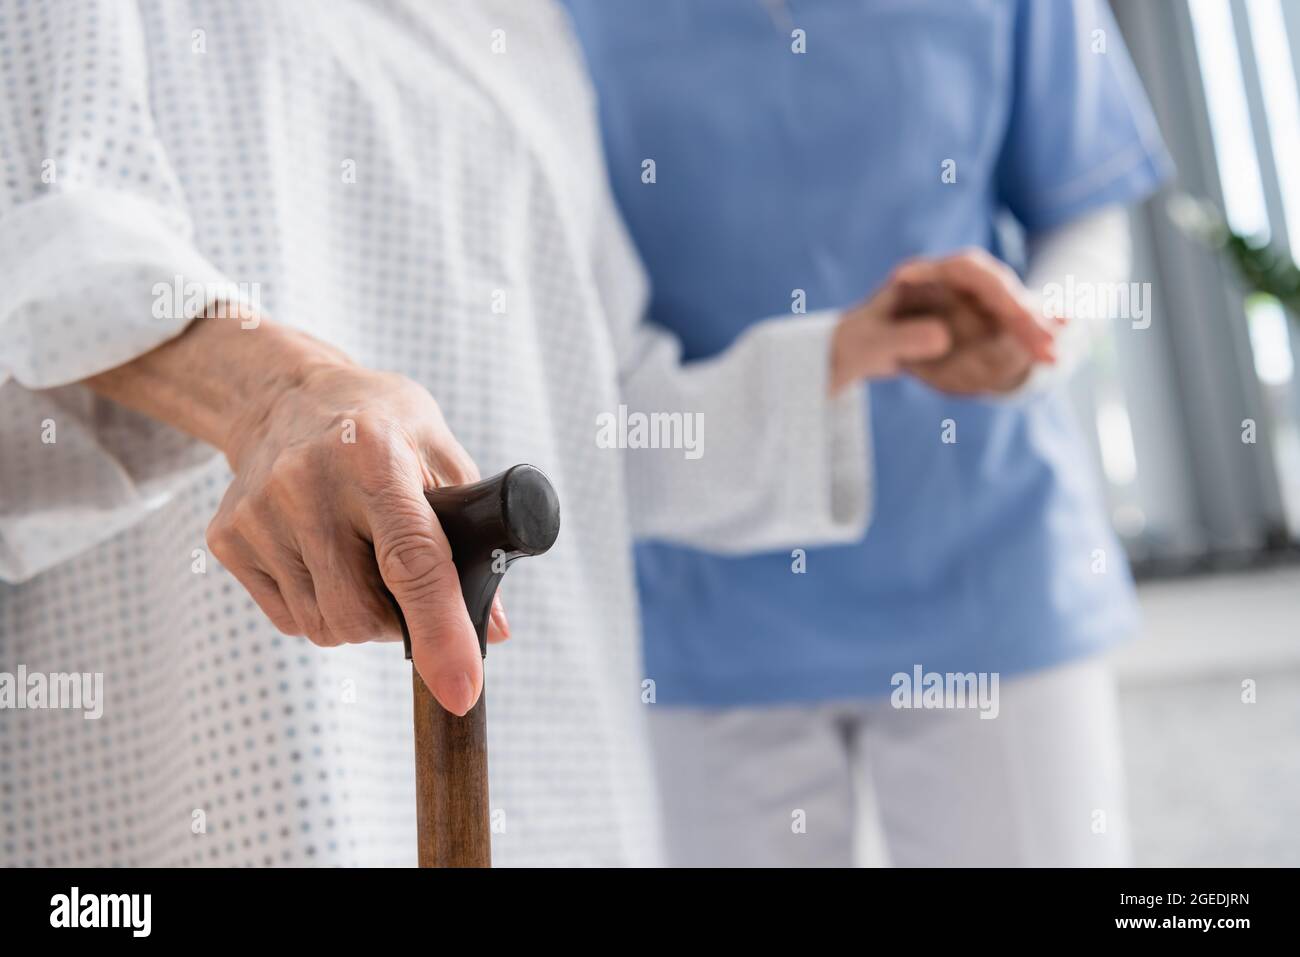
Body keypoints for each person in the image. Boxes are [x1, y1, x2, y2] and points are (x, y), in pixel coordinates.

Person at [0, 0, 1052, 866]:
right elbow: (50, 247)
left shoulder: (537, 33)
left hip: (558, 752)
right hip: (244, 735)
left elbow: (593, 421)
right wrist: (274, 394)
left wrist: (844, 357)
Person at [562, 0, 1174, 865]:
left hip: (984, 561)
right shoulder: (556, 18)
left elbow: (1084, 210)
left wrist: (1036, 339)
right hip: (698, 602)